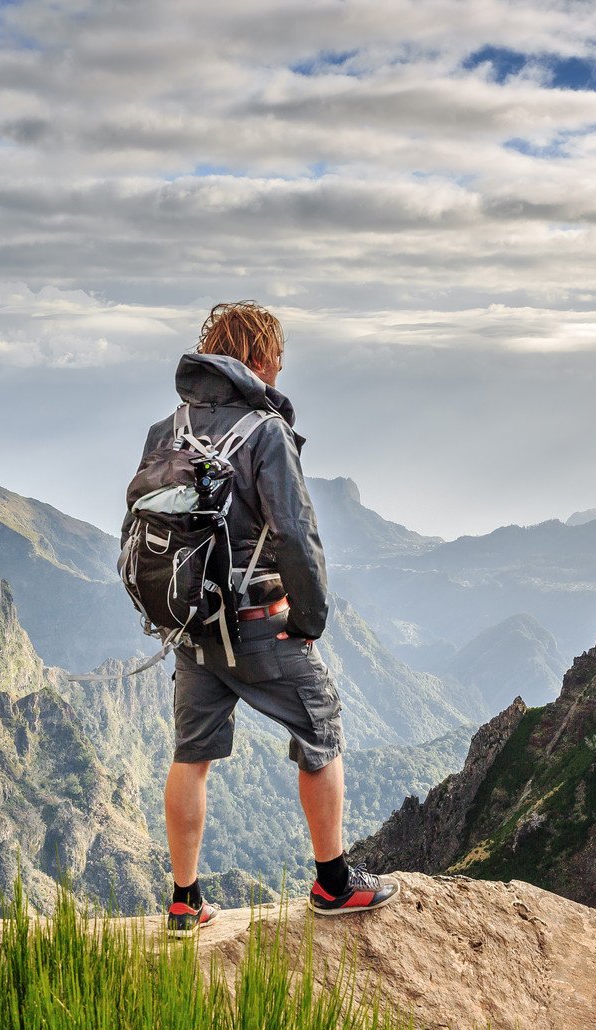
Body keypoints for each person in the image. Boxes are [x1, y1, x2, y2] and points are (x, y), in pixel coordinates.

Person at [125, 301, 400, 938]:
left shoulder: (164, 429)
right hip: (258, 624)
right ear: (256, 357)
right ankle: (333, 885)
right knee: (321, 726)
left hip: (191, 627)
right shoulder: (264, 432)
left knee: (190, 755)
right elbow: (297, 537)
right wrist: (309, 619)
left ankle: (184, 902)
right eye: (276, 358)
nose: (280, 370)